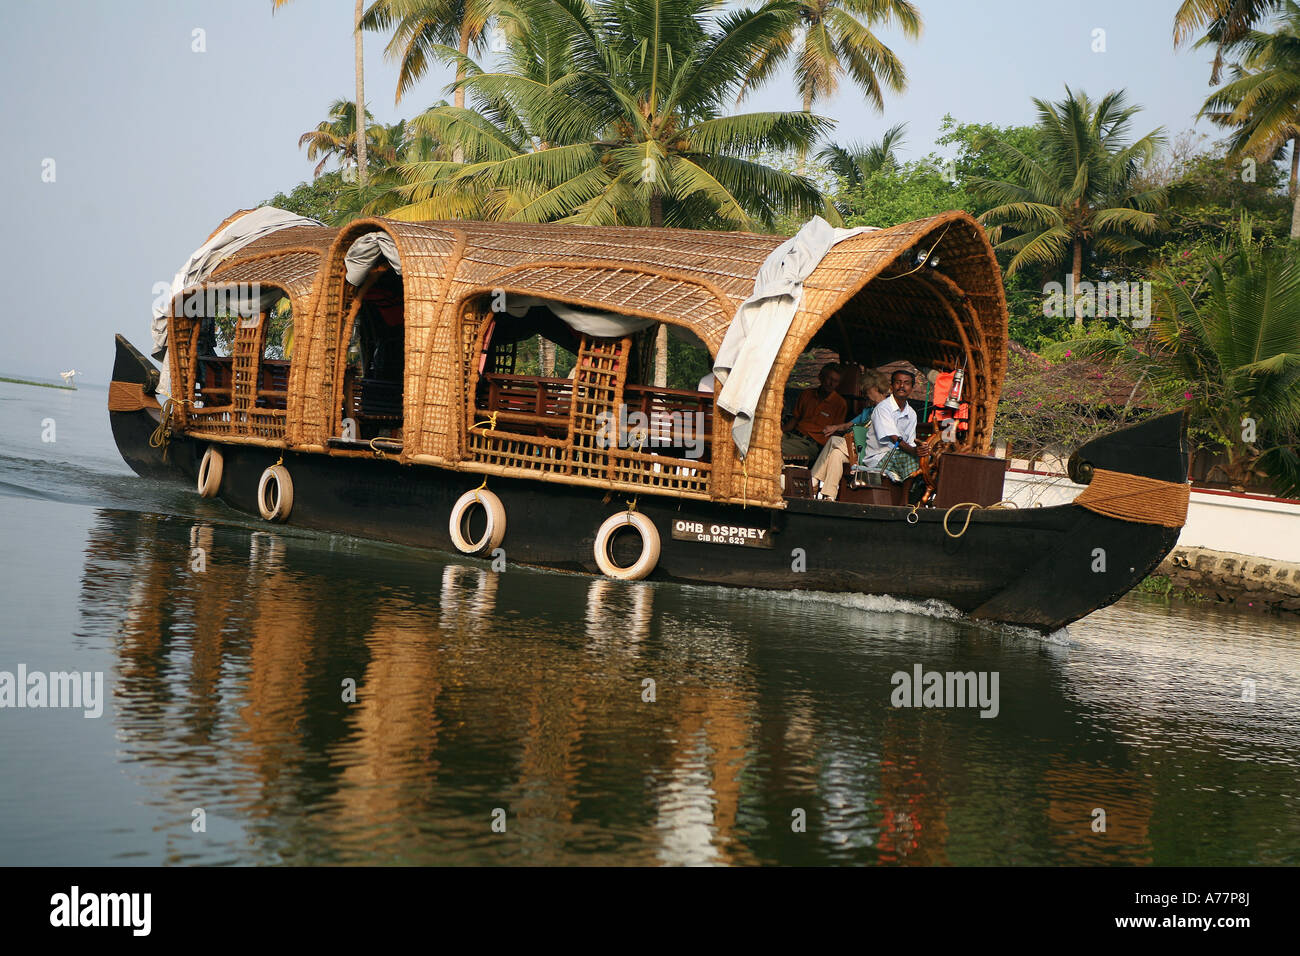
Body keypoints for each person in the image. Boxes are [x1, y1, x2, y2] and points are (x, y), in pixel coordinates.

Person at [809, 376, 889, 500]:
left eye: (867, 390)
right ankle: (830, 496)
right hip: (857, 447)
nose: (866, 394)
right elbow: (848, 425)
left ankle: (813, 479)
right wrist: (834, 427)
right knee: (836, 454)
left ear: (876, 388)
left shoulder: (887, 408)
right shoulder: (869, 410)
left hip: (872, 451)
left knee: (834, 440)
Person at [861, 368, 926, 474]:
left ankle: (911, 489)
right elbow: (894, 438)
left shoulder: (911, 413)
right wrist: (914, 451)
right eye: (898, 382)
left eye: (906, 383)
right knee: (912, 461)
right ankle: (906, 491)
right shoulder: (883, 408)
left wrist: (920, 450)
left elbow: (911, 441)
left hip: (898, 455)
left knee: (925, 461)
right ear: (891, 387)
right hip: (879, 458)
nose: (901, 386)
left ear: (912, 388)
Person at [781, 364, 846, 460]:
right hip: (792, 435)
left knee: (777, 449)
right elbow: (794, 420)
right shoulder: (807, 394)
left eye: (835, 381)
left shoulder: (840, 403)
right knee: (766, 441)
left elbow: (836, 433)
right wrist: (777, 431)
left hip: (810, 444)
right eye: (829, 379)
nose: (831, 383)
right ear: (820, 377)